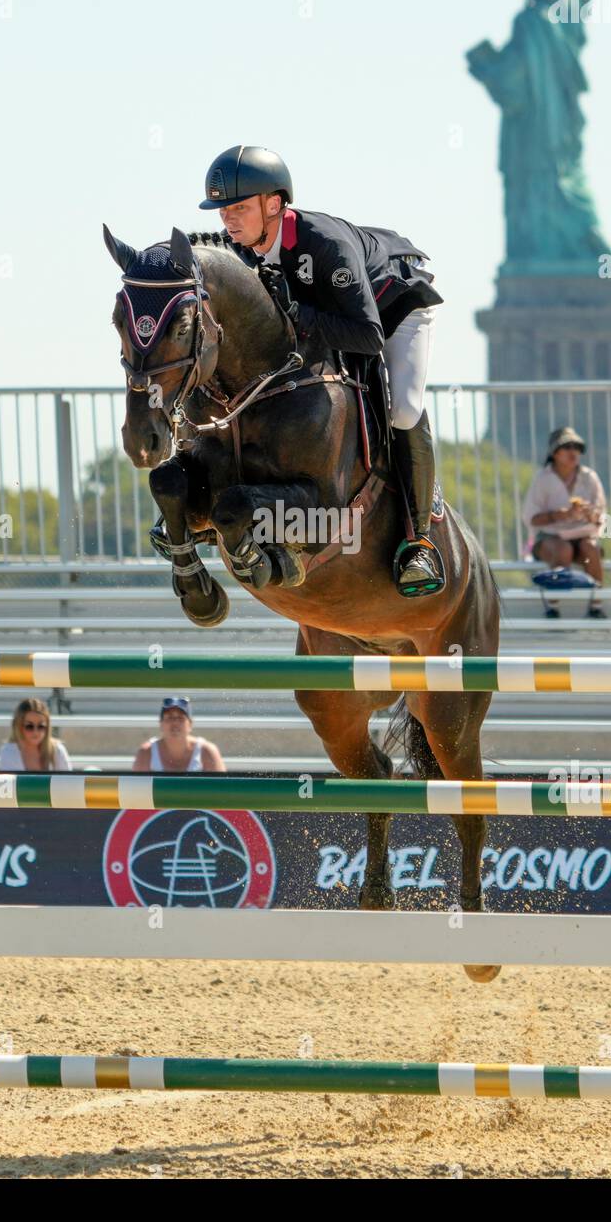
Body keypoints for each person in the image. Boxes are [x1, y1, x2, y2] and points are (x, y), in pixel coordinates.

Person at [198, 144, 447, 597]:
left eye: (239, 208)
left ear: (273, 205)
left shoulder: (324, 245)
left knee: (404, 410)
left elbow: (368, 336)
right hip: (339, 314)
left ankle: (420, 540)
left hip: (394, 304)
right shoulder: (244, 249)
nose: (228, 220)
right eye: (223, 211)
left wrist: (299, 315)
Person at [521, 425, 607, 617]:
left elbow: (603, 518)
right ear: (555, 453)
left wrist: (591, 515)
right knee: (562, 549)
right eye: (567, 447)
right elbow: (530, 518)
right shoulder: (543, 479)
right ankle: (553, 606)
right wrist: (558, 515)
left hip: (582, 538)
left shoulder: (590, 478)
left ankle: (596, 606)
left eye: (577, 447)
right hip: (548, 539)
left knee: (591, 549)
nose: (573, 452)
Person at [132, 696, 226, 773]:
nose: (175, 723)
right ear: (161, 723)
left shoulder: (207, 751)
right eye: (169, 718)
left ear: (190, 724)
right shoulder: (146, 752)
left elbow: (222, 788)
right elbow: (135, 788)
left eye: (180, 718)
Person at [0, 698, 72, 772]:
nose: (35, 732)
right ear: (19, 726)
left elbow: (68, 779)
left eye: (41, 726)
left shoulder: (57, 750)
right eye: (29, 726)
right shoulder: (8, 751)